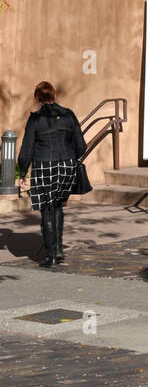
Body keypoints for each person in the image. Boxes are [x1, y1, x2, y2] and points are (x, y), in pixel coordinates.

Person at [17, 82, 88, 269]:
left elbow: (27, 149)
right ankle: (57, 250)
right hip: (66, 165)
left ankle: (51, 256)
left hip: (44, 165)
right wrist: (69, 156)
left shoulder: (35, 119)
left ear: (37, 97)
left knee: (47, 209)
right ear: (54, 96)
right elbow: (81, 146)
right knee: (57, 205)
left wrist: (22, 173)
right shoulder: (68, 115)